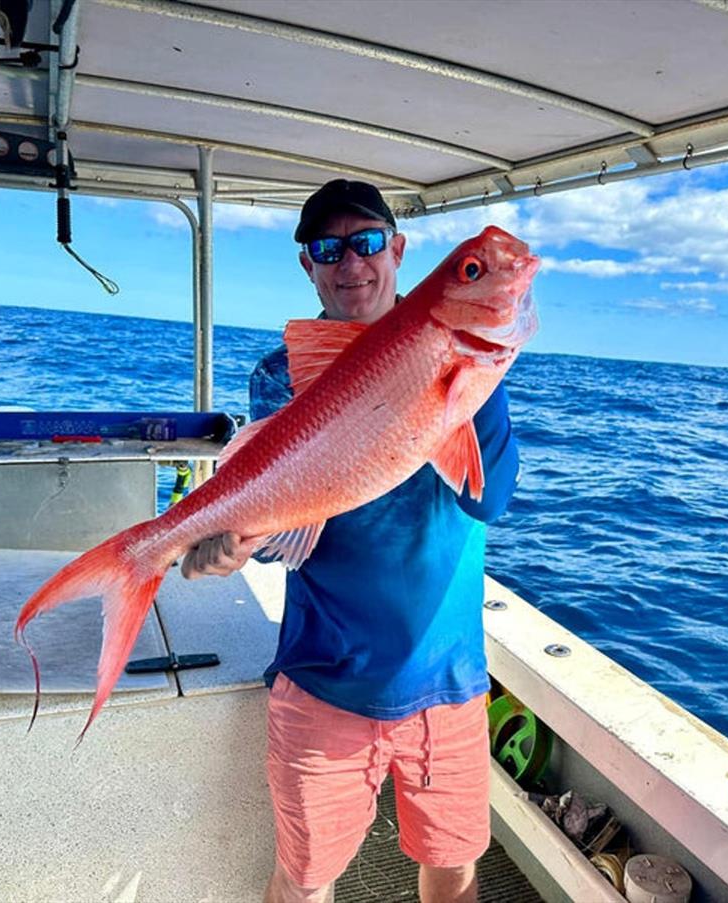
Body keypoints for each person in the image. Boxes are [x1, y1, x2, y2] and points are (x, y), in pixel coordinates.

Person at [181, 180, 520, 903]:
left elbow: (490, 497)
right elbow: (284, 525)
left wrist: (474, 376)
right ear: (308, 265)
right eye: (327, 249)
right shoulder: (281, 374)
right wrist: (235, 542)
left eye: (366, 242)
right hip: (325, 675)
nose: (350, 263)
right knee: (305, 882)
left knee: (455, 872)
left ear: (396, 250)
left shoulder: (467, 358)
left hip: (448, 681)